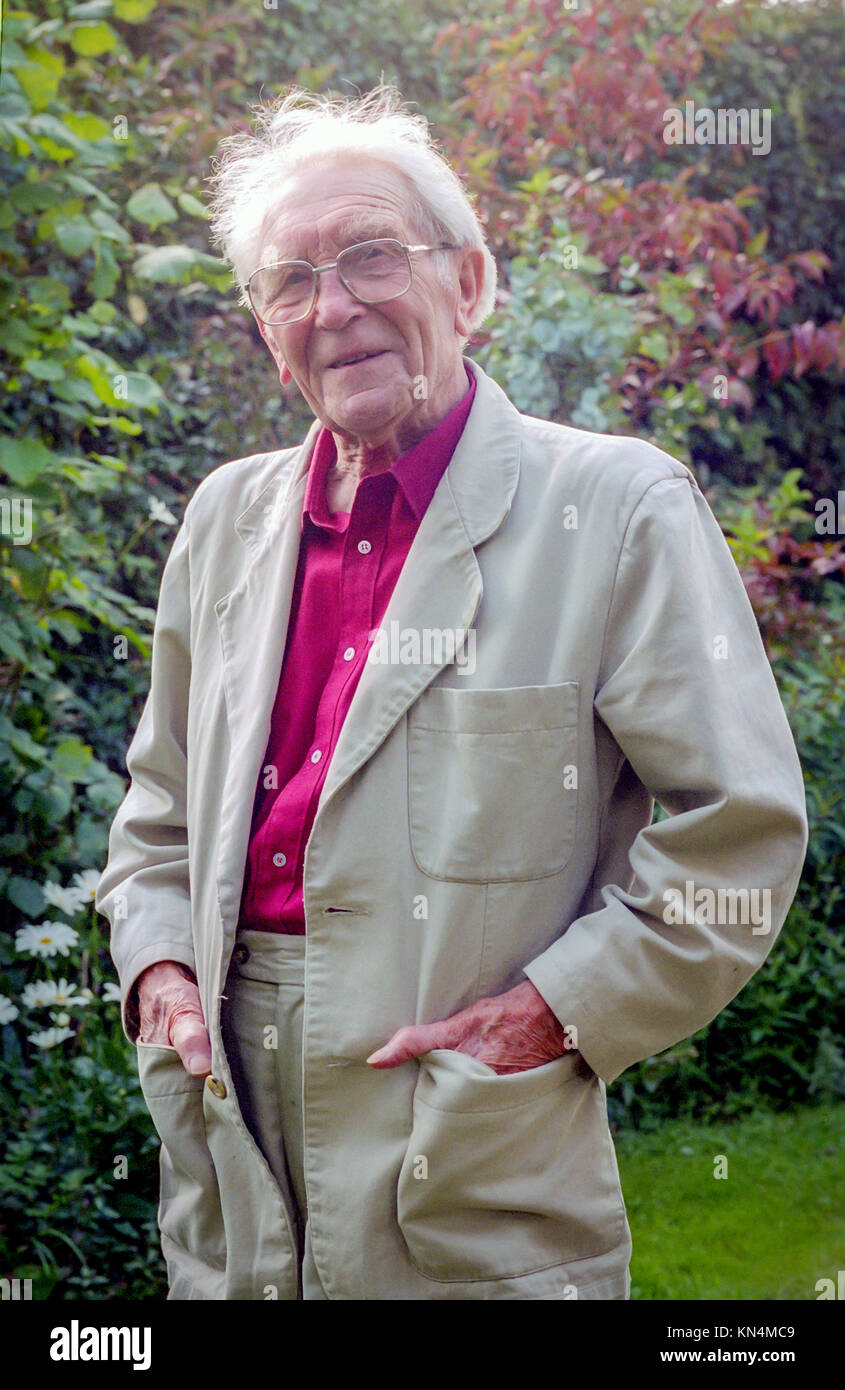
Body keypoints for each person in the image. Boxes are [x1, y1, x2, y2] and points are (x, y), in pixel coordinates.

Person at [96, 86, 808, 1301]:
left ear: (468, 284)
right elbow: (157, 813)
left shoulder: (617, 505)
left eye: (372, 256)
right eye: (291, 282)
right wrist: (160, 975)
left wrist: (547, 1011)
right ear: (269, 335)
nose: (335, 307)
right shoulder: (223, 521)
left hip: (464, 1123)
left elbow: (736, 837)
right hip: (226, 1106)